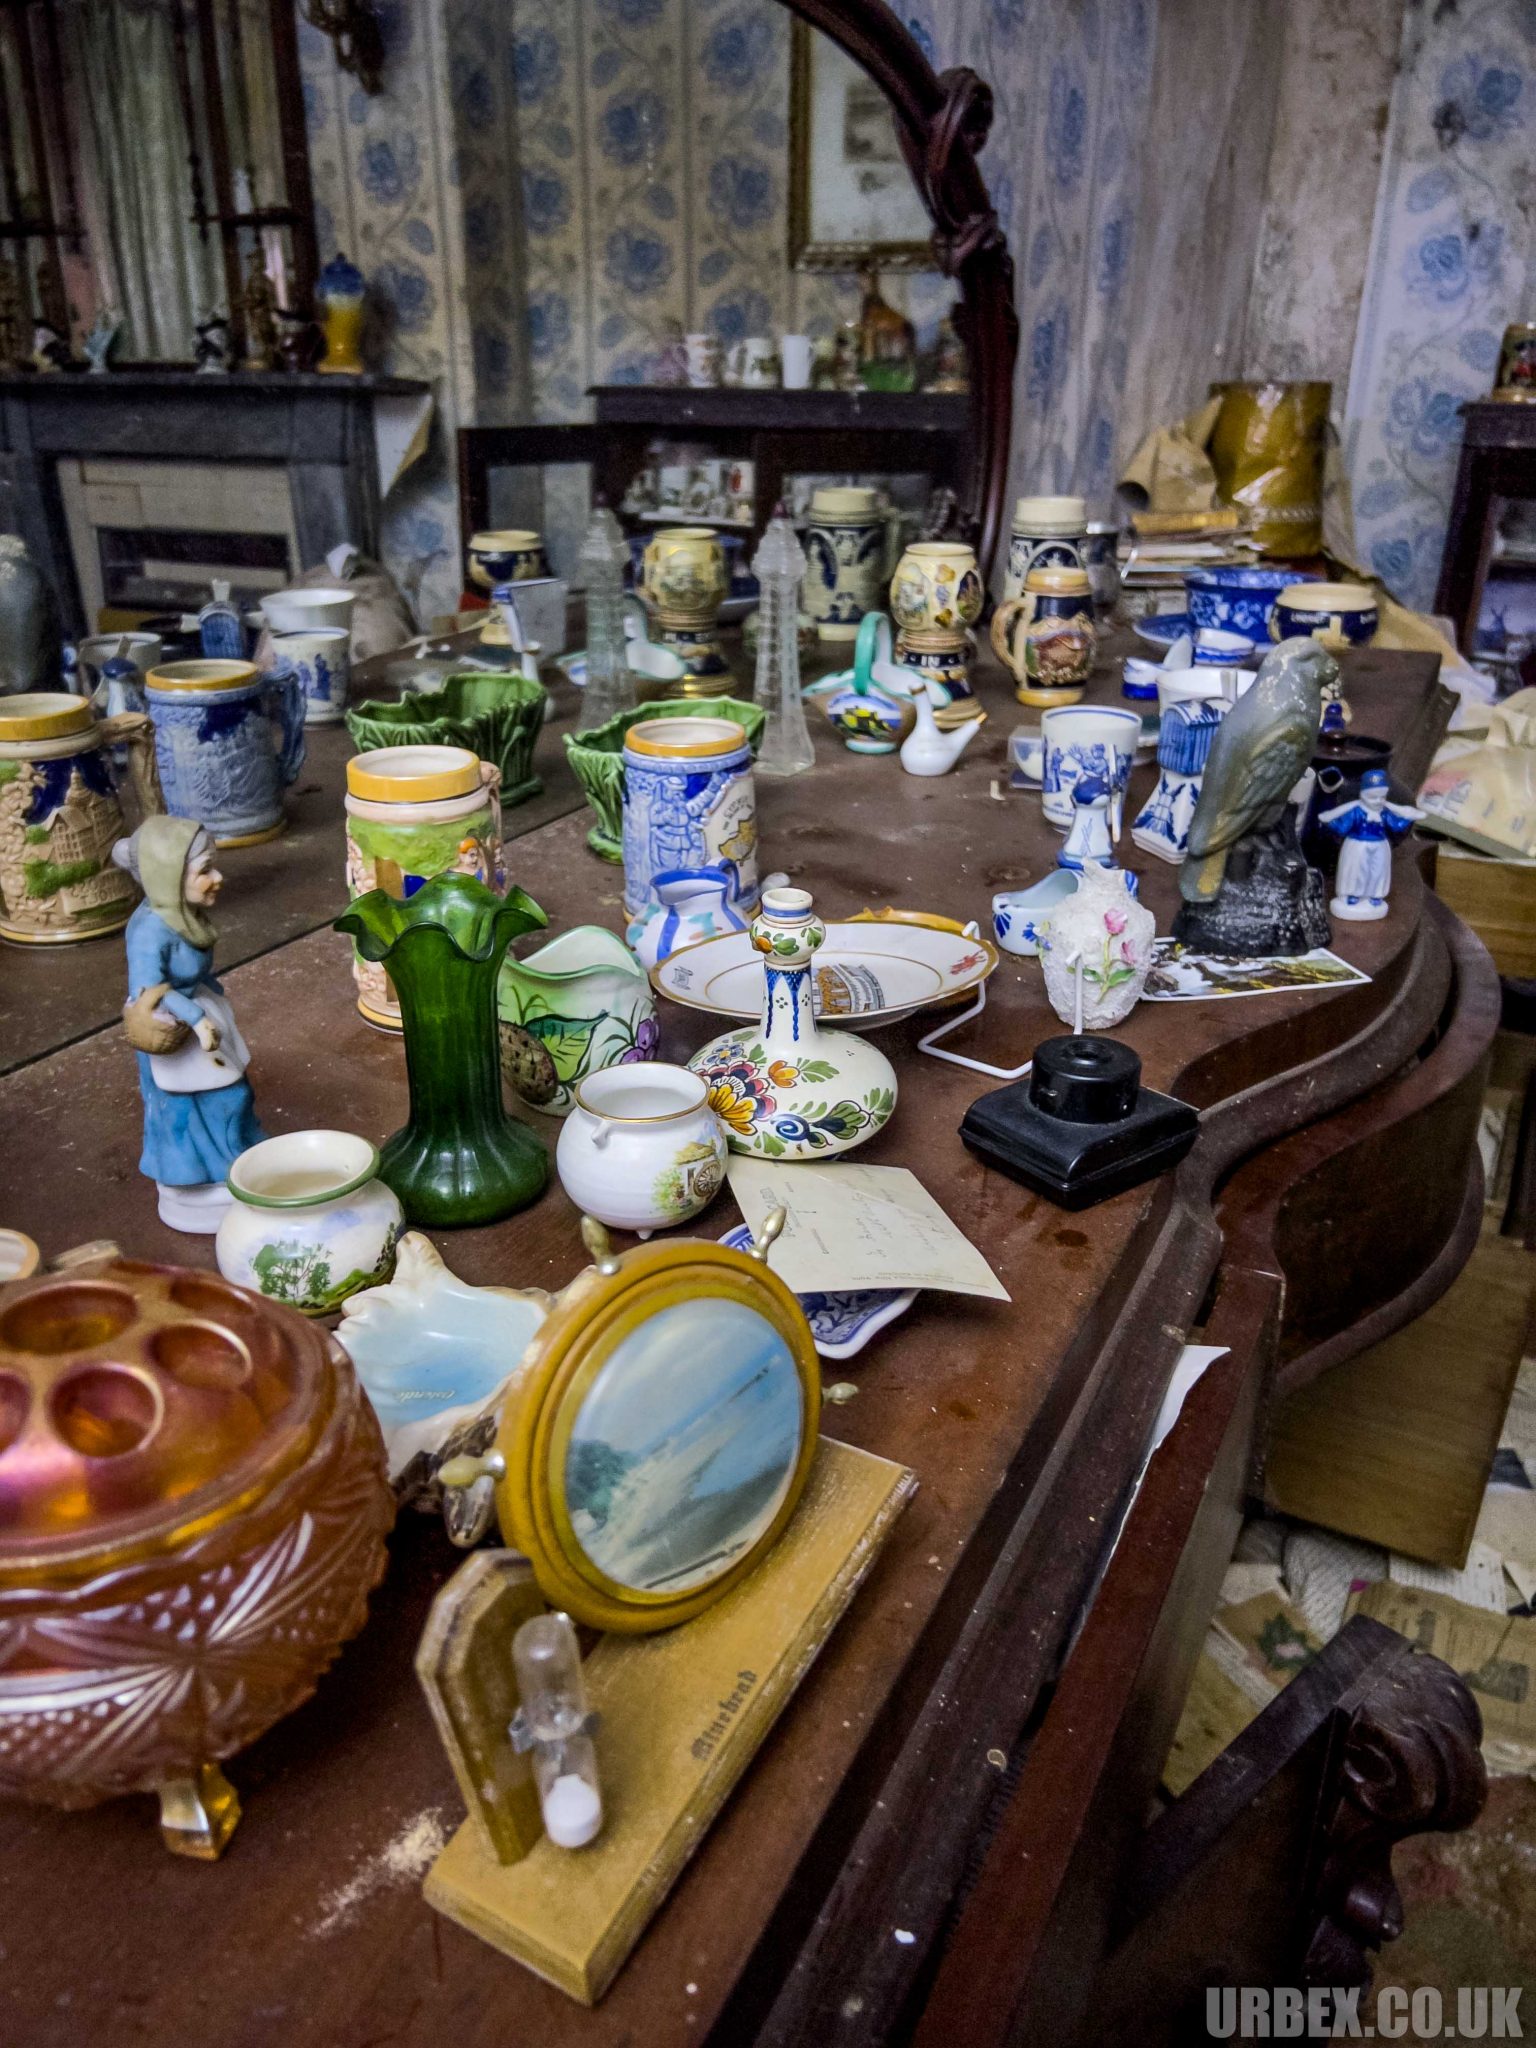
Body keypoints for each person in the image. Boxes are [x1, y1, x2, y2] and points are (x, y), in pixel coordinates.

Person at [113, 815, 265, 1230]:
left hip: (204, 1014)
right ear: (168, 877)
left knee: (232, 1096)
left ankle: (236, 1160)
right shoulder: (149, 931)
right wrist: (196, 1018)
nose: (217, 878)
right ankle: (198, 1181)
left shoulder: (183, 916)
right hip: (177, 1031)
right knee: (198, 1106)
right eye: (204, 871)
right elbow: (148, 991)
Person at [1318, 768, 1422, 922]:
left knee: (1377, 870)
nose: (1378, 801)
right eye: (1373, 797)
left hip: (1380, 845)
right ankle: (1353, 894)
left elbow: (1395, 826)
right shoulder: (1356, 812)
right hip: (1357, 845)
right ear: (1363, 795)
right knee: (1356, 870)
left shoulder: (1384, 812)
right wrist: (1330, 822)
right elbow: (1343, 827)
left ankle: (1375, 895)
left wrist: (1407, 818)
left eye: (1382, 797)